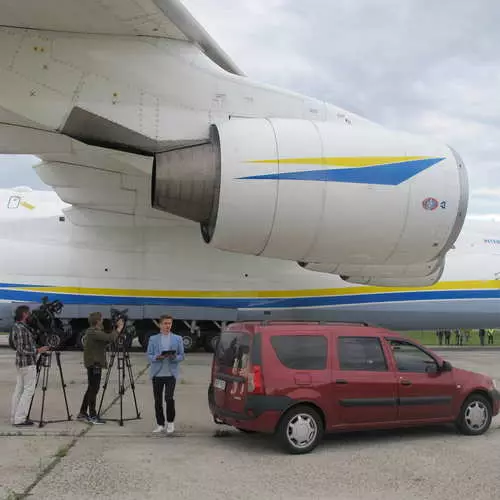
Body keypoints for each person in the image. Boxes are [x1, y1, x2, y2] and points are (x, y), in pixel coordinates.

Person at [78, 312, 124, 424]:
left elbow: (105, 341)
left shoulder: (94, 332)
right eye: (101, 319)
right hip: (94, 364)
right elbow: (110, 338)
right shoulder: (93, 332)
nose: (103, 321)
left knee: (91, 388)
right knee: (94, 389)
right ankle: (92, 415)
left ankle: (83, 412)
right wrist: (119, 328)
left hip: (95, 363)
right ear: (97, 321)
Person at [10, 305, 50, 426]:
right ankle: (20, 418)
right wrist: (38, 351)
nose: (30, 316)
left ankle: (15, 416)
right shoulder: (21, 328)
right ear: (24, 314)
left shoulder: (17, 327)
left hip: (21, 364)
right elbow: (21, 349)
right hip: (27, 364)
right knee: (28, 391)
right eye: (29, 313)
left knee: (19, 390)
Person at [147, 315, 185, 434]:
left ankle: (170, 423)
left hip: (171, 374)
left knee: (169, 398)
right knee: (157, 400)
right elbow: (149, 355)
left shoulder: (177, 338)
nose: (168, 325)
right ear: (160, 325)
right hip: (157, 374)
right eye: (165, 323)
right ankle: (160, 424)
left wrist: (174, 357)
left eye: (170, 323)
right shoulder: (153, 339)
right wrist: (156, 357)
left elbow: (182, 355)